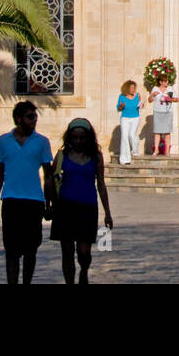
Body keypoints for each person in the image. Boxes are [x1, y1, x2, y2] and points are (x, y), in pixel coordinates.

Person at [0, 101, 55, 284]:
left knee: (31, 249)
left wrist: (50, 203)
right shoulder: (3, 141)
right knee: (11, 250)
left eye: (35, 116)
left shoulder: (42, 142)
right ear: (18, 119)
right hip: (11, 201)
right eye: (30, 116)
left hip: (34, 202)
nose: (34, 120)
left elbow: (48, 174)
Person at [50, 118, 113, 284]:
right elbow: (51, 179)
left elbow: (100, 183)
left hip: (87, 207)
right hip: (65, 207)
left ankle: (84, 270)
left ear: (88, 138)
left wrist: (107, 212)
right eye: (75, 137)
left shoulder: (96, 157)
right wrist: (48, 204)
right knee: (67, 249)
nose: (78, 141)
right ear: (69, 137)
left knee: (84, 251)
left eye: (82, 137)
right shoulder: (62, 156)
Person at [116, 81, 143, 165]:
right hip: (125, 118)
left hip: (135, 117)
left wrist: (141, 105)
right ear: (127, 88)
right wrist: (121, 106)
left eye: (134, 88)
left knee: (132, 134)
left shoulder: (137, 95)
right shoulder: (122, 96)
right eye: (131, 88)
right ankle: (125, 159)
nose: (133, 89)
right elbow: (119, 108)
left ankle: (135, 151)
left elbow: (140, 105)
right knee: (124, 136)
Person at [149, 78, 176, 155]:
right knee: (157, 132)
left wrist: (169, 99)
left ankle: (167, 150)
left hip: (168, 112)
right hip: (157, 112)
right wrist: (153, 94)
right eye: (165, 81)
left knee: (167, 132)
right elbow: (150, 100)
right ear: (160, 82)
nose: (167, 82)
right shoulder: (155, 88)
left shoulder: (170, 89)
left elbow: (176, 99)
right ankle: (156, 150)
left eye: (167, 81)